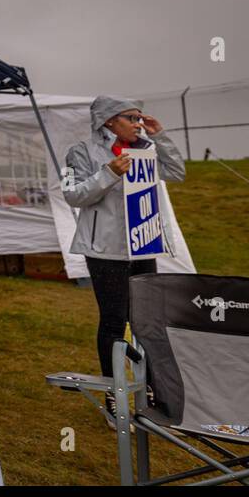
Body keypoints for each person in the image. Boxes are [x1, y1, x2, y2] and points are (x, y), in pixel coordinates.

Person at [63, 96, 184, 425]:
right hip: (105, 250)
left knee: (147, 321)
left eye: (139, 117)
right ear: (108, 121)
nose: (137, 122)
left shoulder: (145, 148)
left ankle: (151, 393)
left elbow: (177, 172)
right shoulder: (81, 152)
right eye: (130, 117)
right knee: (115, 321)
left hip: (144, 245)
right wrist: (108, 174)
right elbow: (72, 194)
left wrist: (161, 137)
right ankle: (114, 395)